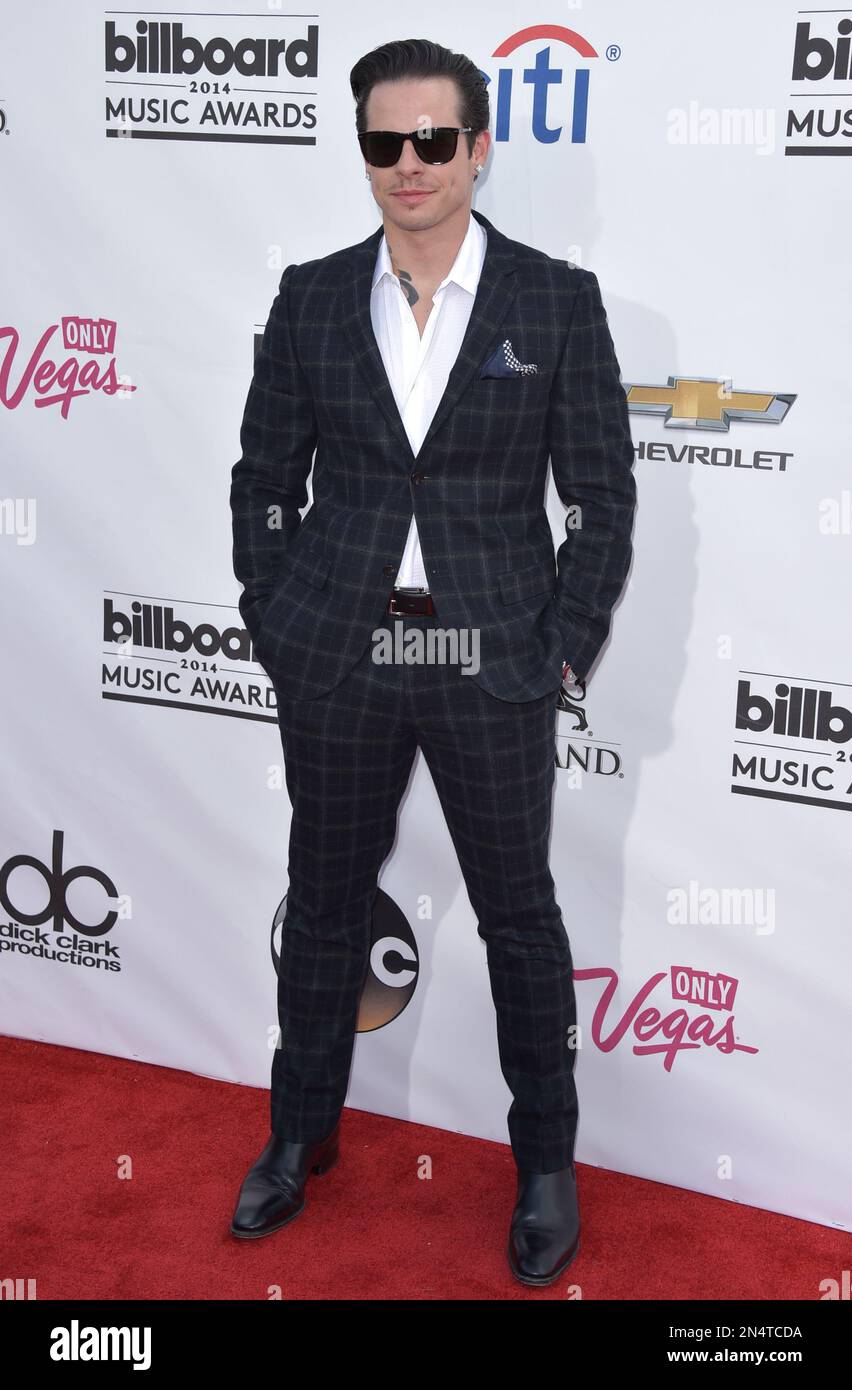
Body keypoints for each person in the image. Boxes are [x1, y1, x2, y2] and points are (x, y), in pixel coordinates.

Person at [228, 37, 636, 1287]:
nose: (407, 165)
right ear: (362, 150)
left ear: (478, 148)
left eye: (432, 141)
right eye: (381, 142)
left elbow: (604, 500)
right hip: (341, 648)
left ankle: (547, 1163)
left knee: (520, 915)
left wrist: (561, 647)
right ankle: (300, 1133)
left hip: (489, 658)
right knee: (325, 896)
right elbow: (262, 480)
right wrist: (277, 612)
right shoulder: (308, 294)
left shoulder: (555, 300)